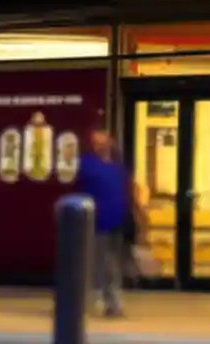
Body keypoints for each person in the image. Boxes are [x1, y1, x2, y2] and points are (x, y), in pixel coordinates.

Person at [76, 130, 131, 317]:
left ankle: (112, 301)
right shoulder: (86, 164)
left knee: (112, 263)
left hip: (116, 221)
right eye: (96, 142)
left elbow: (125, 191)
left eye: (102, 142)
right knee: (97, 262)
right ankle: (97, 300)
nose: (100, 145)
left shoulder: (118, 168)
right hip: (96, 222)